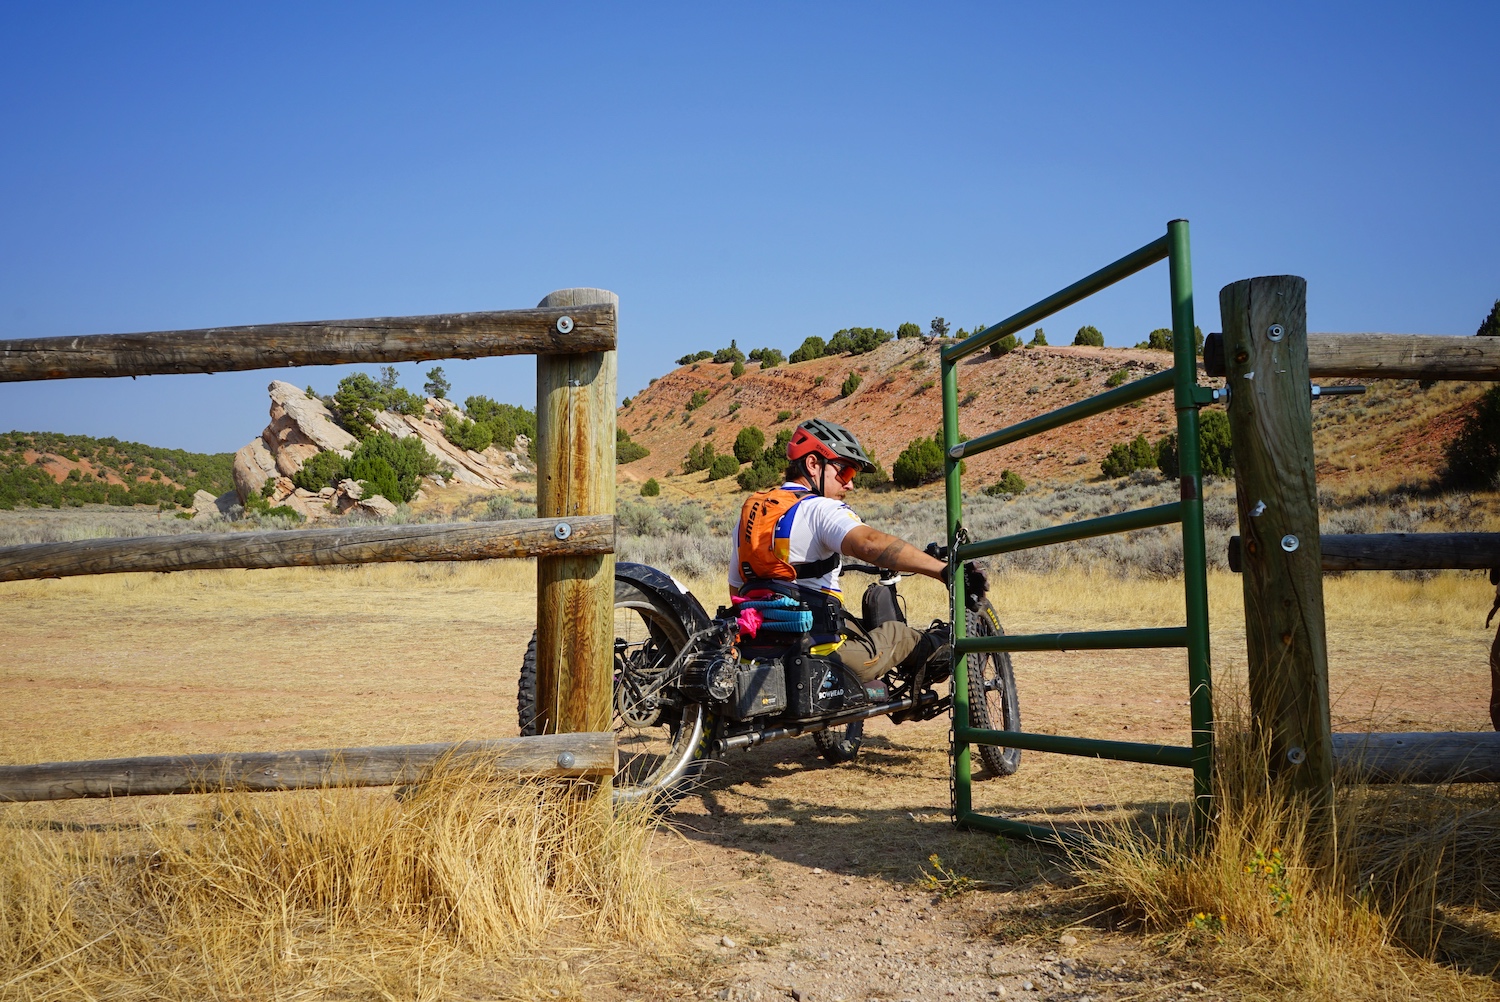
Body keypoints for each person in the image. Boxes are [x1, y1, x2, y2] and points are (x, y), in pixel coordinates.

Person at [728, 418, 956, 684]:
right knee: (897, 634)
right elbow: (869, 543)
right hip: (822, 655)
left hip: (760, 654)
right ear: (813, 464)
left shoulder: (752, 519)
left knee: (856, 625)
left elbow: (737, 590)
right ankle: (954, 651)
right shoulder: (820, 508)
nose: (850, 485)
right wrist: (940, 570)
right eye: (845, 472)